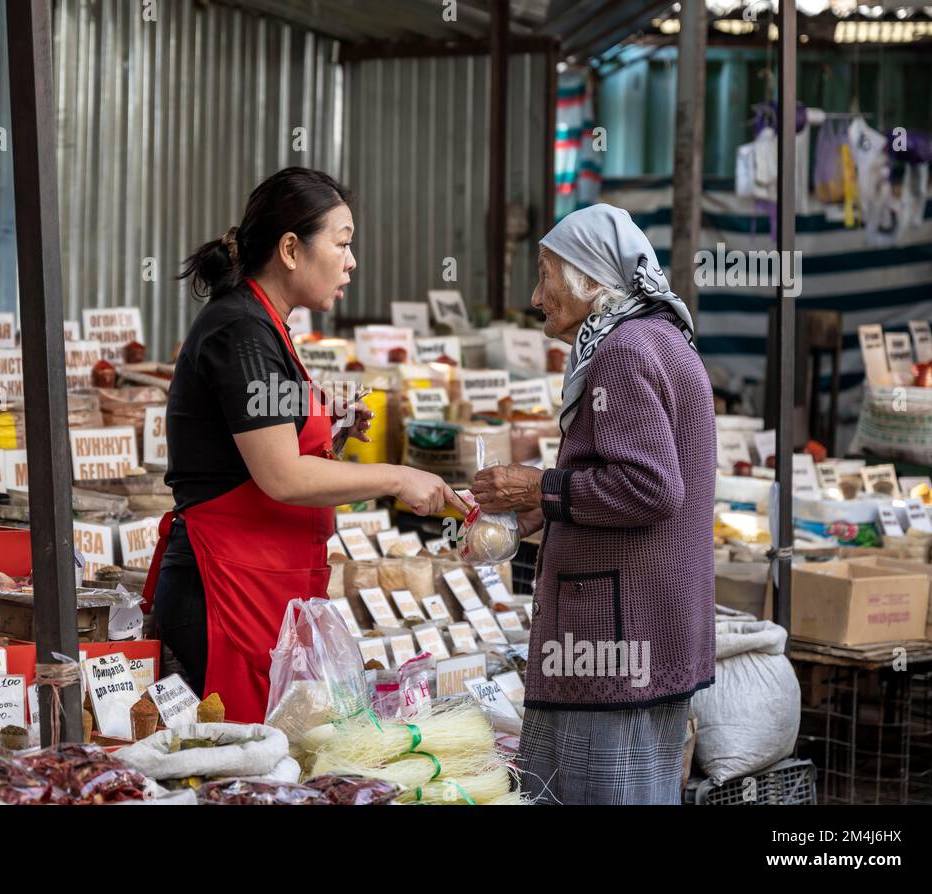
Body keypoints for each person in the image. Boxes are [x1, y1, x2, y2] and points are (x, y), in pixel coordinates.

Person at [144, 167, 467, 723]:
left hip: (267, 586)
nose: (352, 261)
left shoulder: (265, 326)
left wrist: (325, 427)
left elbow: (254, 442)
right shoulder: (241, 332)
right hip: (227, 591)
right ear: (291, 249)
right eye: (342, 244)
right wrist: (397, 477)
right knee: (251, 768)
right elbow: (282, 477)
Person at [470, 204, 716, 805]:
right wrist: (551, 505)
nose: (535, 296)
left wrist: (543, 489)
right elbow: (629, 477)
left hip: (616, 641)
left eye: (546, 276)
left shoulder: (624, 354)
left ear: (588, 276)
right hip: (634, 634)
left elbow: (651, 487)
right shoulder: (654, 339)